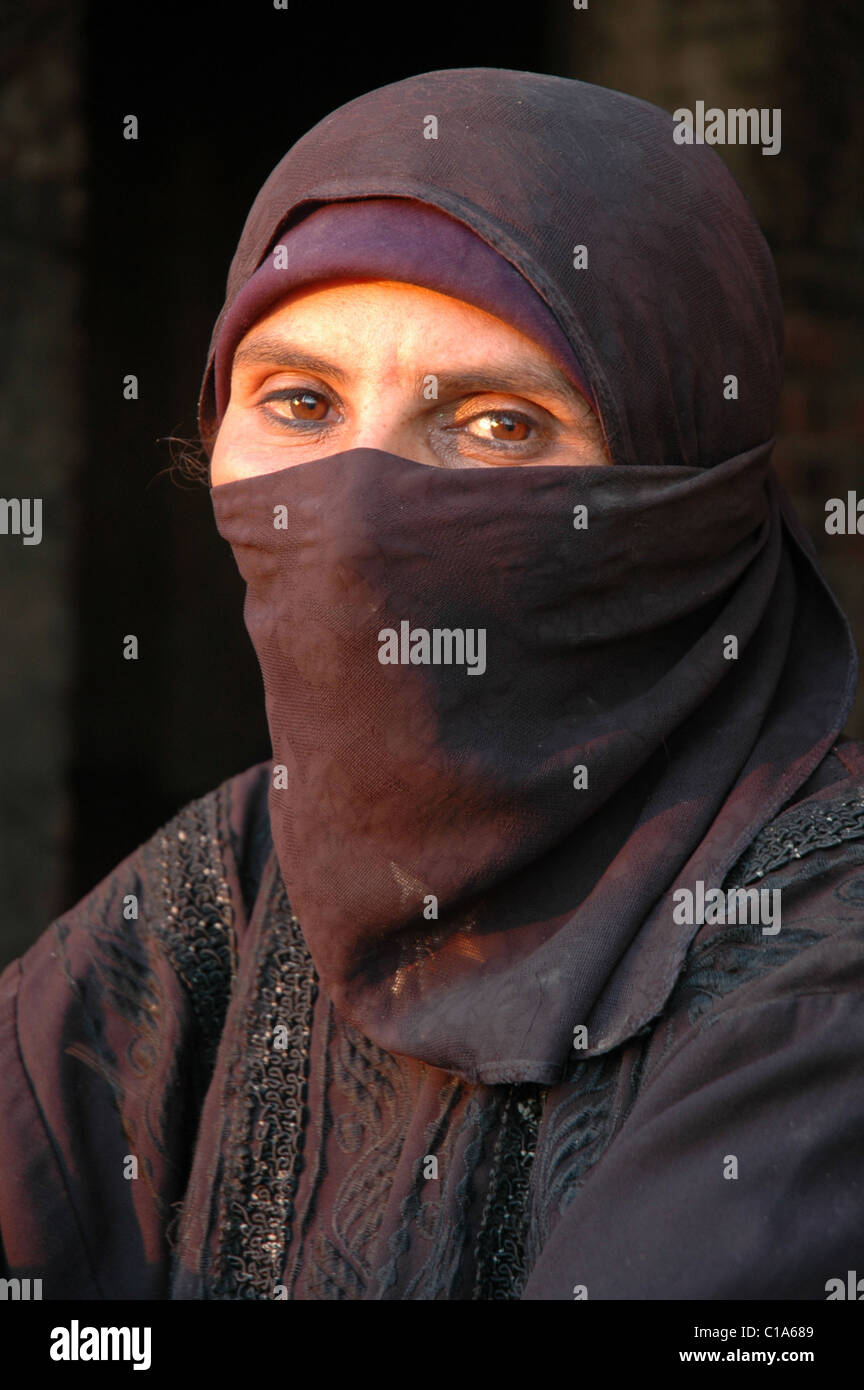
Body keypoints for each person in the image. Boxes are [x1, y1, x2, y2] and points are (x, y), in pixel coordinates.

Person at [1, 66, 863, 1302]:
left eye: (500, 423)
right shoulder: (234, 872)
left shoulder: (816, 970)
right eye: (299, 402)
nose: (358, 512)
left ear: (686, 498)